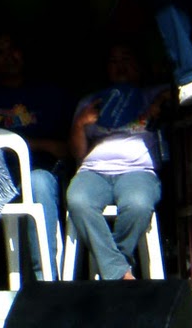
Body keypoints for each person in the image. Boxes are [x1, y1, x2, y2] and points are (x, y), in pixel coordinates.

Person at [66, 40, 171, 281]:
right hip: (93, 170)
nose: (120, 66)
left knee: (138, 204)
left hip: (138, 170)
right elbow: (77, 154)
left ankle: (113, 269)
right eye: (114, 61)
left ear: (138, 65)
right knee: (78, 200)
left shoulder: (151, 94)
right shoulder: (92, 101)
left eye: (126, 60)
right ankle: (120, 273)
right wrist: (81, 123)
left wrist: (158, 104)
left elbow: (181, 92)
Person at [0, 30, 71, 277]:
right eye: (0, 53)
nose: (8, 57)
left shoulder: (49, 93)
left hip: (40, 171)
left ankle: (44, 277)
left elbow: (62, 147)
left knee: (40, 183)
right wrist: (38, 143)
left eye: (13, 49)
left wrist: (29, 146)